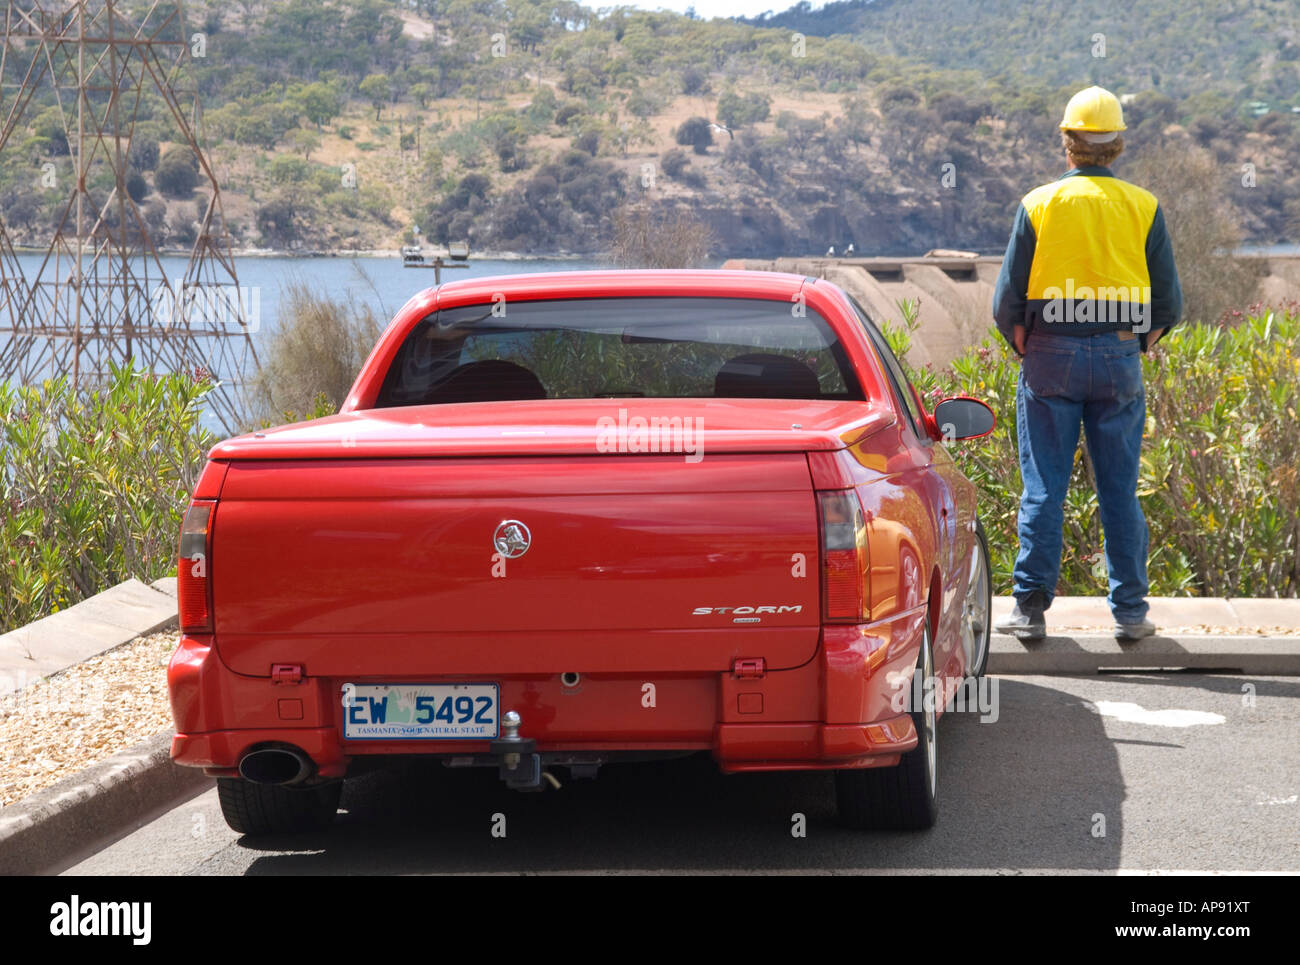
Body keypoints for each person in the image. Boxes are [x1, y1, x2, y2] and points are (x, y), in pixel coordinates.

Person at [990, 85, 1183, 642]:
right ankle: (1129, 612)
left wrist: (1027, 342)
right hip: (1119, 354)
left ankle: (1029, 609)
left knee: (1045, 486)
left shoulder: (1039, 202)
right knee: (1118, 489)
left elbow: (1007, 302)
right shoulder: (1143, 206)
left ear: (1067, 143)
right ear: (1117, 144)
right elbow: (1168, 304)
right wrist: (1134, 344)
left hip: (1051, 351)